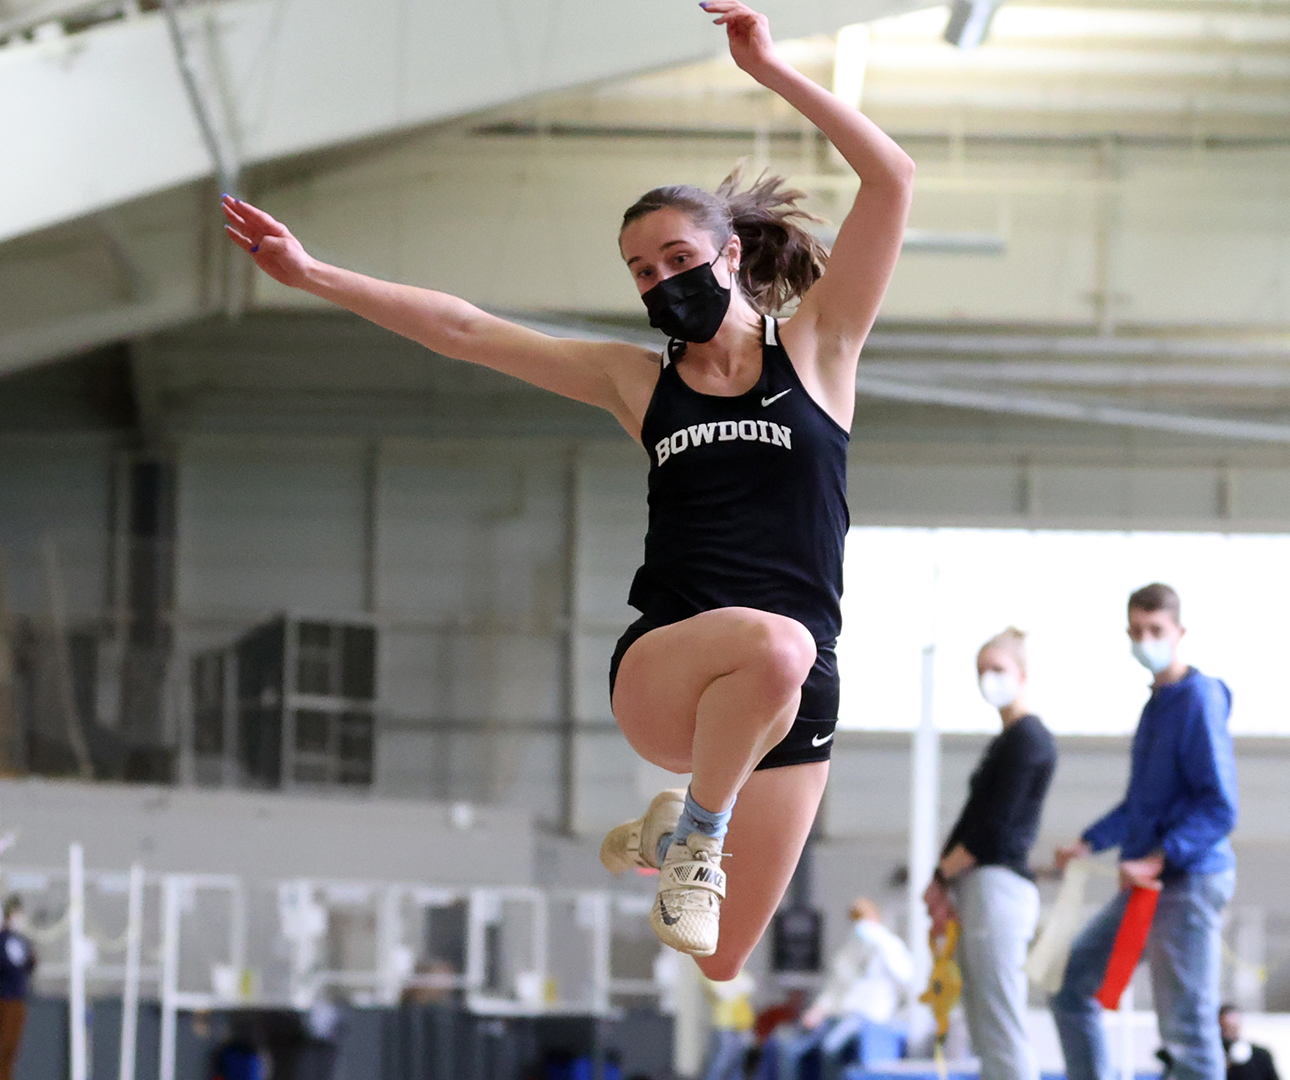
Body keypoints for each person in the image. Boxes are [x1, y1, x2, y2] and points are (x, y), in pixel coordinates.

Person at [222, 0, 913, 972]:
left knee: (720, 958)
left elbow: (893, 179)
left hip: (792, 690)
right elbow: (466, 330)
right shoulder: (638, 383)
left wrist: (772, 71)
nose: (660, 281)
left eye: (678, 258)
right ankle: (699, 839)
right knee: (778, 641)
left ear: (728, 255)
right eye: (640, 271)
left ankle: (677, 833)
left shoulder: (819, 352)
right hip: (666, 670)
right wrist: (315, 274)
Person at [1051, 584, 1237, 1080]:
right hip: (1150, 880)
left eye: (1155, 630)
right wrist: (1090, 841)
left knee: (1188, 1029)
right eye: (1136, 631)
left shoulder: (1198, 699)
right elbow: (1142, 803)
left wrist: (1155, 859)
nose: (1145, 640)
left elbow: (1219, 806)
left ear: (1180, 633)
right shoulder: (1158, 704)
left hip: (1188, 877)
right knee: (1072, 987)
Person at [923, 628, 1058, 1080]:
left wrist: (942, 876)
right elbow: (971, 818)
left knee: (1001, 1023)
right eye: (982, 671)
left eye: (997, 669)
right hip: (978, 887)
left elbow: (991, 830)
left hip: (1000, 886)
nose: (989, 679)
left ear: (1022, 673)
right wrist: (939, 880)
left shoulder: (1030, 739)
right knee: (983, 1025)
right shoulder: (1004, 742)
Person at [760, 897, 914, 1080]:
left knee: (830, 1047)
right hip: (837, 1015)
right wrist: (818, 1010)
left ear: (874, 918)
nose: (860, 926)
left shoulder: (887, 945)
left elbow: (907, 979)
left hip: (864, 1016)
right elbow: (836, 987)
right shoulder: (850, 949)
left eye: (863, 919)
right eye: (856, 920)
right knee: (786, 1045)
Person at [0, 895, 38, 1080]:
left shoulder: (20, 940)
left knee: (12, 1048)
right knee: (1, 1046)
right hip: (3, 999)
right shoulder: (0, 939)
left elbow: (26, 966)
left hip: (18, 999)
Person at [1218, 1005, 1281, 1080]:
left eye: (1233, 1028)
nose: (1229, 1033)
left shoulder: (1260, 1055)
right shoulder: (1213, 1057)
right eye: (1225, 1028)